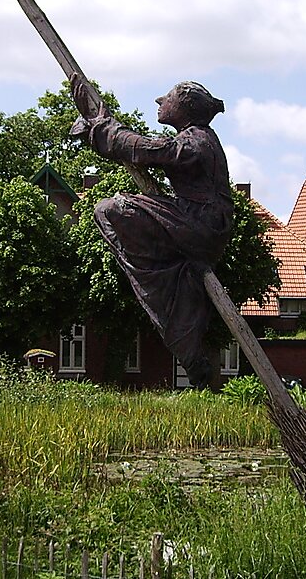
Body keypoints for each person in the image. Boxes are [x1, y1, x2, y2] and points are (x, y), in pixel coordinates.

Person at [70, 76, 233, 388]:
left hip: (201, 227)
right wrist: (100, 128)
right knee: (116, 218)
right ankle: (186, 340)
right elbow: (149, 149)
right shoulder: (195, 138)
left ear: (184, 107)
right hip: (197, 224)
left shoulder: (197, 141)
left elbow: (150, 150)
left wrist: (101, 127)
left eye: (168, 97)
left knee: (111, 210)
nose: (159, 101)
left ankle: (160, 273)